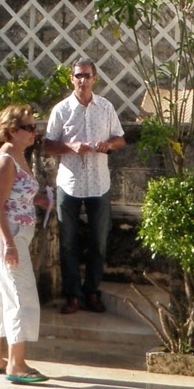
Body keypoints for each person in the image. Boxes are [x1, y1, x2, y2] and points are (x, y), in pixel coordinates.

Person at [43, 59, 125, 315]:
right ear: (71, 79)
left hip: (99, 182)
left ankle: (91, 290)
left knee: (98, 241)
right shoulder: (61, 109)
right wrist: (70, 147)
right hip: (70, 182)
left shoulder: (105, 107)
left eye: (87, 76)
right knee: (68, 243)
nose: (83, 80)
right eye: (78, 76)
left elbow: (121, 138)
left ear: (94, 78)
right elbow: (47, 145)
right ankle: (72, 295)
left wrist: (108, 145)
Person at [0, 104, 52, 383]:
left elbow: (14, 195)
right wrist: (9, 243)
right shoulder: (4, 160)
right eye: (28, 127)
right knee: (20, 294)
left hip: (16, 230)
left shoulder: (19, 156)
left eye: (35, 126)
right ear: (12, 130)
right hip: (6, 232)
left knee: (0, 292)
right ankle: (17, 363)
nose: (34, 132)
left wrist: (38, 200)